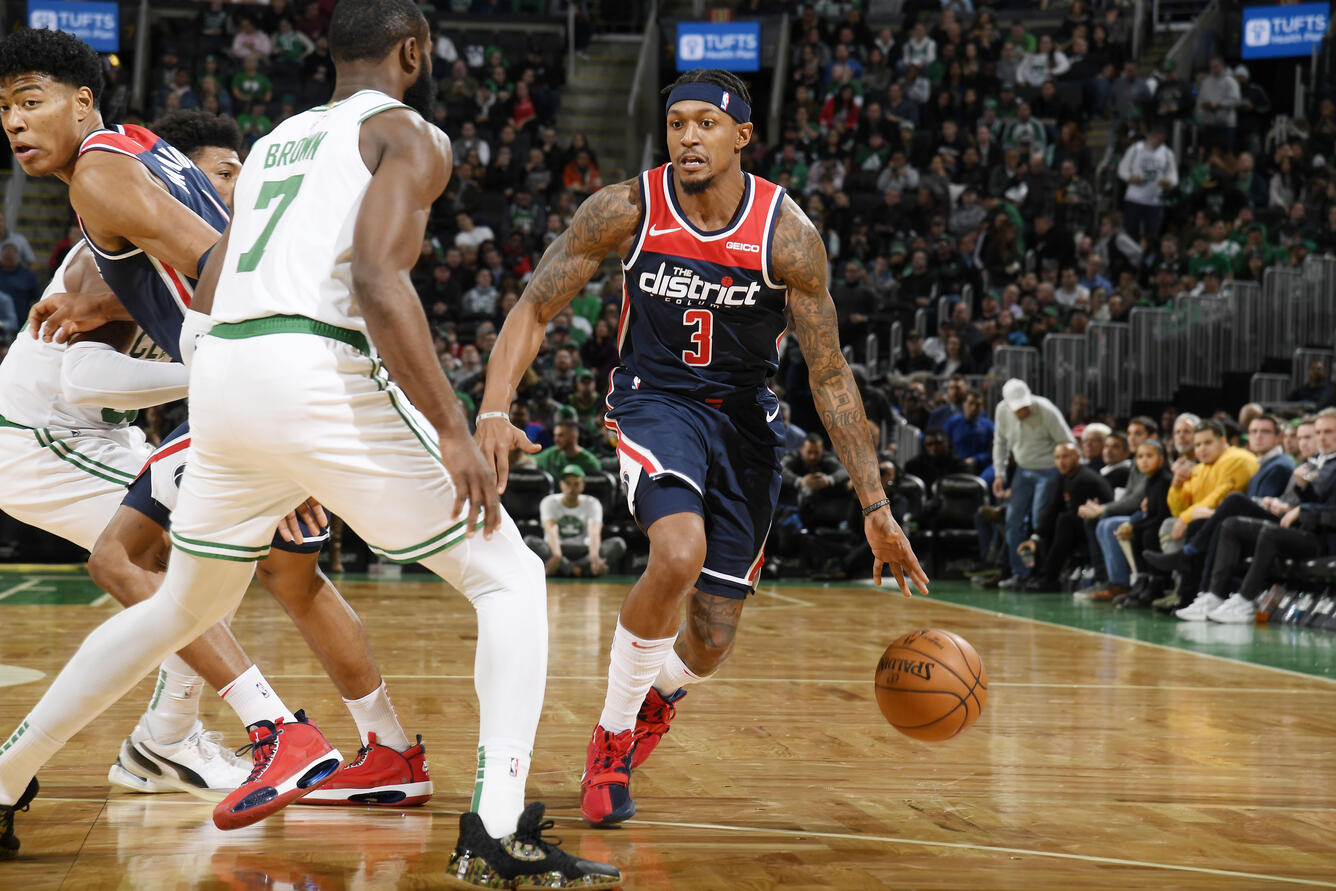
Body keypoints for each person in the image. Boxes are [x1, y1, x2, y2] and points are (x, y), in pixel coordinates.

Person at [0, 10, 620, 887]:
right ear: (414, 53)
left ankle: (8, 775)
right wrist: (453, 426)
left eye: (27, 102)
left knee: (181, 604)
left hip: (226, 373)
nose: (14, 121)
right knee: (507, 573)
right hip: (306, 364)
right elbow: (374, 278)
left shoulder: (275, 141)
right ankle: (493, 829)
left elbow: (219, 270)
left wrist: (225, 385)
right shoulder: (409, 133)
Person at [475, 68, 928, 828]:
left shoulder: (787, 236)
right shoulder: (627, 208)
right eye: (677, 122)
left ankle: (655, 698)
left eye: (705, 124)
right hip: (654, 401)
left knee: (713, 637)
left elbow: (829, 373)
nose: (687, 136)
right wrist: (494, 406)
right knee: (678, 550)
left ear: (742, 136)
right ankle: (610, 738)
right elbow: (534, 306)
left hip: (745, 422)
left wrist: (875, 505)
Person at [2, 108, 430, 809]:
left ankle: (372, 746)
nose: (236, 185)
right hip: (39, 436)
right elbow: (82, 380)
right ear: (173, 180)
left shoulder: (241, 259)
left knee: (282, 565)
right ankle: (205, 734)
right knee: (170, 555)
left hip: (148, 428)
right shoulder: (109, 251)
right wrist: (222, 386)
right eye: (223, 172)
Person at [992, 378, 1075, 585]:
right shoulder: (1001, 411)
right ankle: (1020, 573)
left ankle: (1042, 574)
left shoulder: (1046, 409)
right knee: (1013, 520)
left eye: (1026, 405)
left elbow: (1068, 442)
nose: (1024, 410)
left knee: (1040, 521)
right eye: (1018, 408)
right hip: (1023, 469)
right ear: (1008, 405)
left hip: (1049, 470)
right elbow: (1000, 443)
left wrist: (1069, 473)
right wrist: (999, 473)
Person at [526, 464, 627, 577]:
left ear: (582, 486)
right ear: (561, 485)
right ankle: (583, 570)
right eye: (568, 483)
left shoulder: (592, 503)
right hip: (556, 548)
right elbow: (551, 531)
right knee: (529, 541)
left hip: (584, 550)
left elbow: (594, 533)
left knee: (618, 544)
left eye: (576, 484)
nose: (571, 488)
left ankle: (567, 569)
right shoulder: (549, 502)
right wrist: (557, 556)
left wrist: (594, 557)